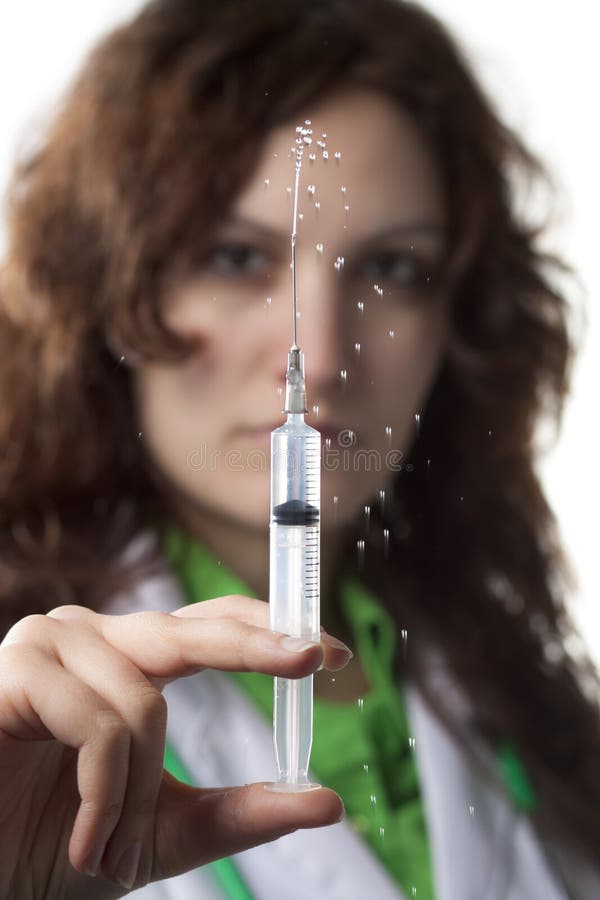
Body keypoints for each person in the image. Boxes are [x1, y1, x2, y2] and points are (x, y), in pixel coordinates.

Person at [0, 0, 598, 897]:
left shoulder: (524, 693)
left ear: (463, 320)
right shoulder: (16, 723)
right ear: (108, 287)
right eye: (235, 257)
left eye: (393, 269)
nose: (320, 357)